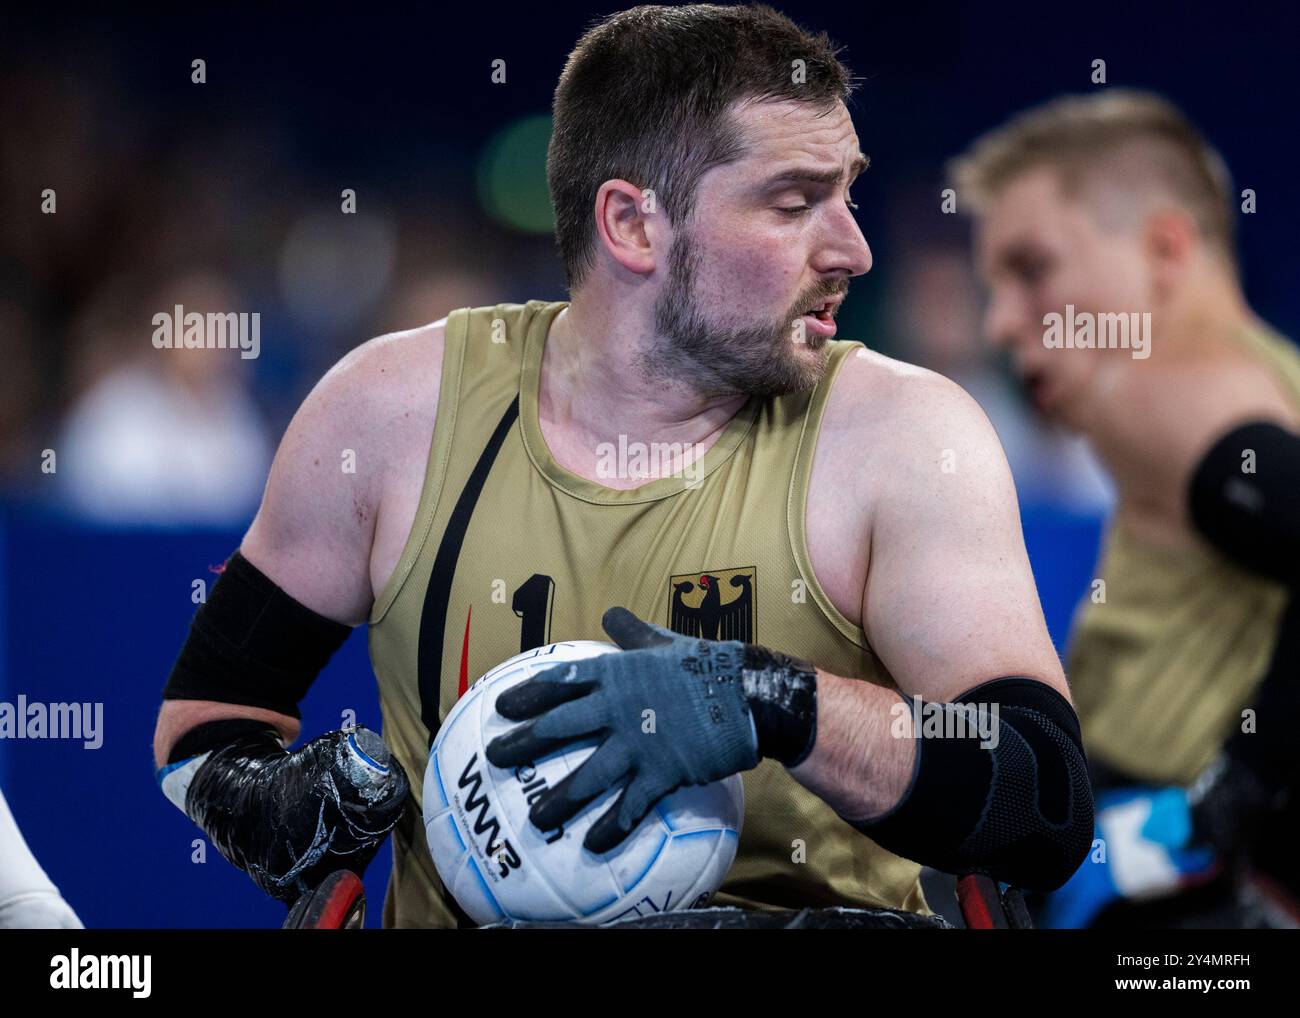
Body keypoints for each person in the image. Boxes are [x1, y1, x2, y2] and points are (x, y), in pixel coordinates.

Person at [152, 3, 1092, 928]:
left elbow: (1043, 798)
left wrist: (777, 703)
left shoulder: (903, 436)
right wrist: (280, 812)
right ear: (633, 225)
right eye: (797, 202)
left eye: (847, 192)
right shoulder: (392, 411)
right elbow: (206, 724)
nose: (854, 247)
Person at [952, 89, 1300, 927]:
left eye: (1033, 270)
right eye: (993, 284)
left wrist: (1237, 789)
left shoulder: (1161, 396)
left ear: (1164, 248)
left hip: (1179, 892)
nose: (1001, 323)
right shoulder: (1271, 373)